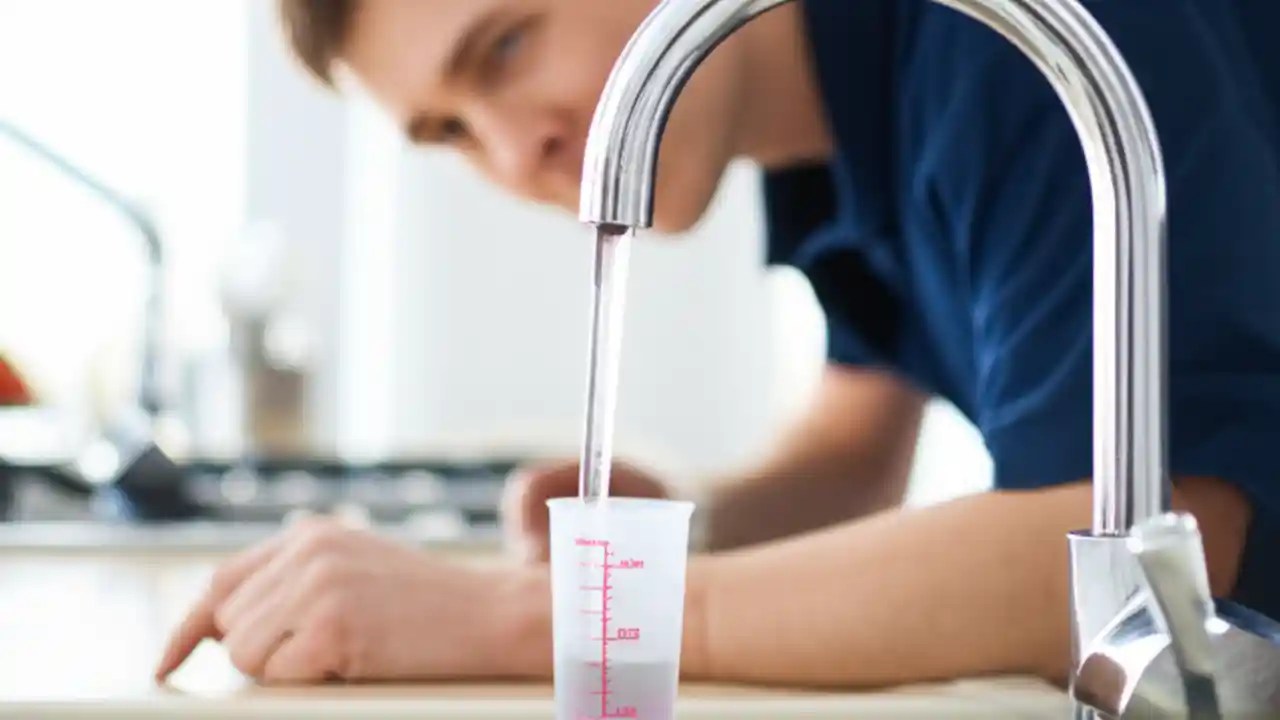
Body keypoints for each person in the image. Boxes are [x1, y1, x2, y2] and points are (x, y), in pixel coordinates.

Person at [156, 0, 1280, 688]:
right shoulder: (830, 119)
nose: (509, 152)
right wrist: (687, 524)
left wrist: (540, 620)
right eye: (448, 129)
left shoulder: (1010, 39)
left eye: (504, 46)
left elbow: (1153, 553)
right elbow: (854, 447)